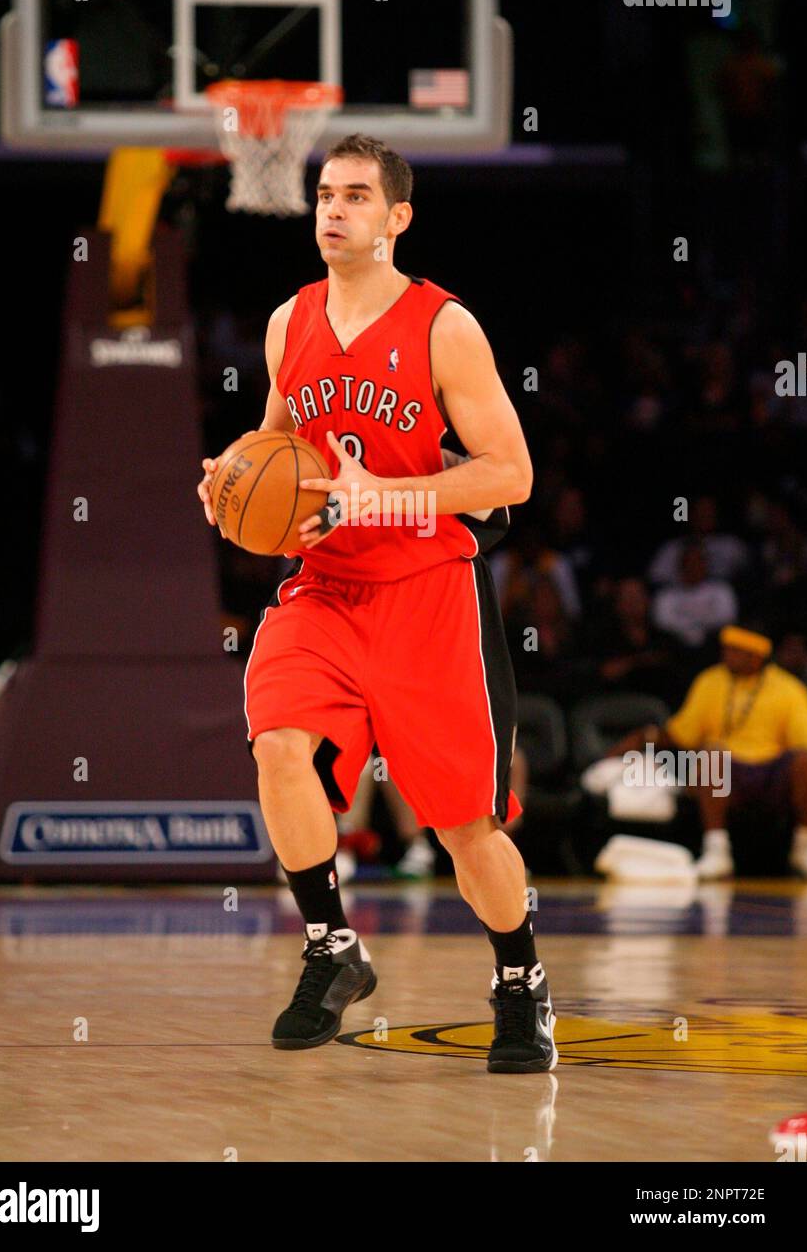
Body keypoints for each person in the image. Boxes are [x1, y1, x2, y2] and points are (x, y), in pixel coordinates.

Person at [197, 134, 556, 1073]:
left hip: (428, 595)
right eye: (323, 194)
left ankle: (519, 982)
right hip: (325, 590)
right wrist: (234, 488)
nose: (333, 209)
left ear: (397, 218)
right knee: (278, 744)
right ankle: (330, 948)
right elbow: (278, 452)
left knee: (463, 830)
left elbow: (508, 475)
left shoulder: (445, 327)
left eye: (356, 196)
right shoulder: (289, 322)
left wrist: (387, 496)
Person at [604, 625, 807, 879]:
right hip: (727, 773)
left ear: (756, 656)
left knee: (805, 762)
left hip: (772, 775)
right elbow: (682, 734)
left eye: (736, 651)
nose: (728, 656)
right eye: (726, 649)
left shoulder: (789, 689)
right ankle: (717, 850)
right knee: (711, 755)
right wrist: (645, 736)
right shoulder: (710, 680)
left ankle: (805, 847)